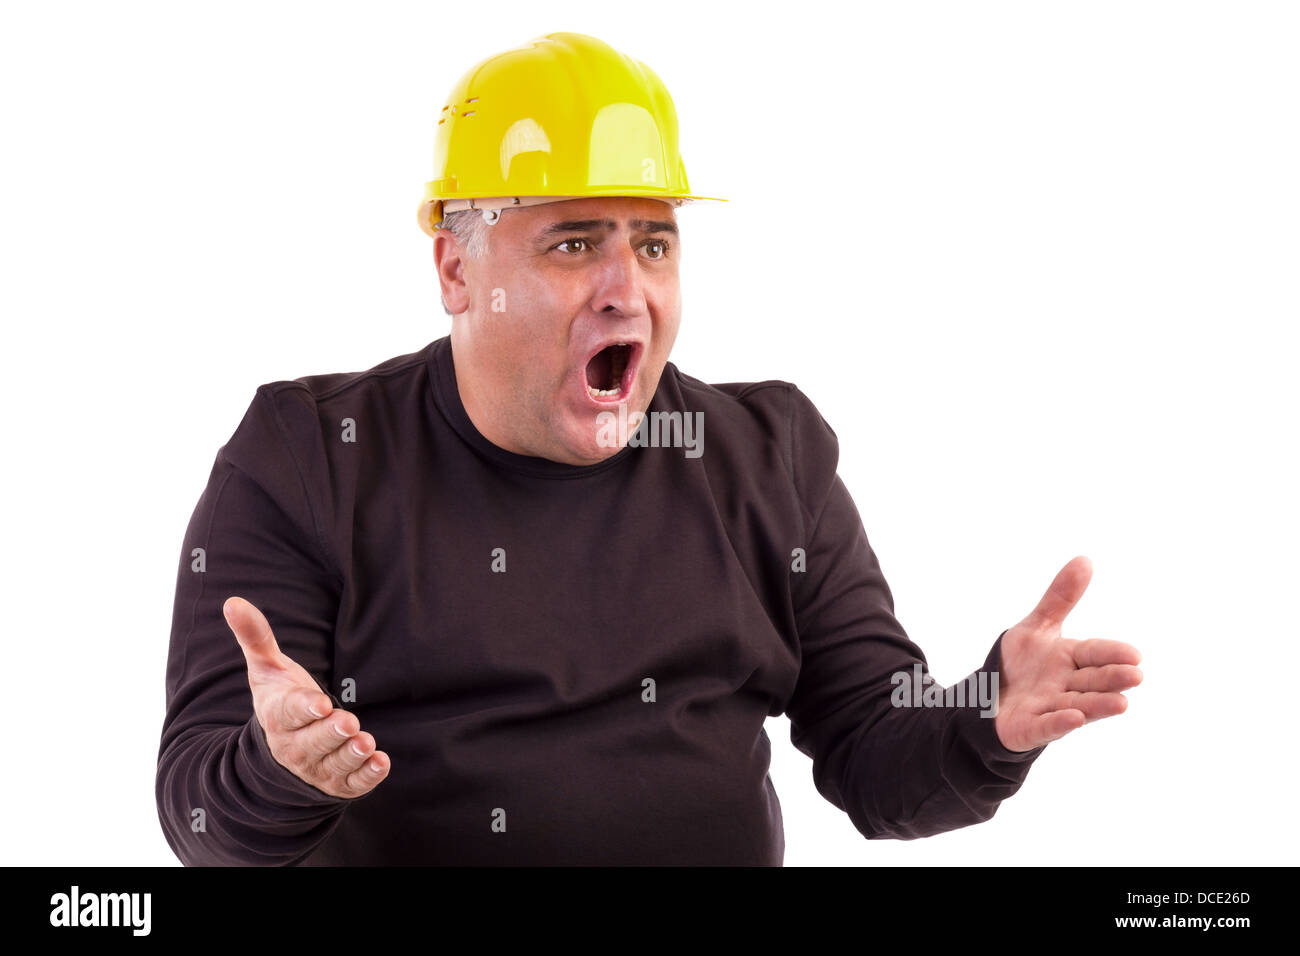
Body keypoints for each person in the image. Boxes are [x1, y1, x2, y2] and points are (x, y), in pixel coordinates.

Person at [155, 31, 1142, 866]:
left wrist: (985, 717)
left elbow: (876, 757)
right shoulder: (306, 458)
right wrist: (275, 765)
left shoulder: (767, 453)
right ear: (458, 268)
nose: (627, 287)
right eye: (575, 241)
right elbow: (195, 813)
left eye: (655, 242)